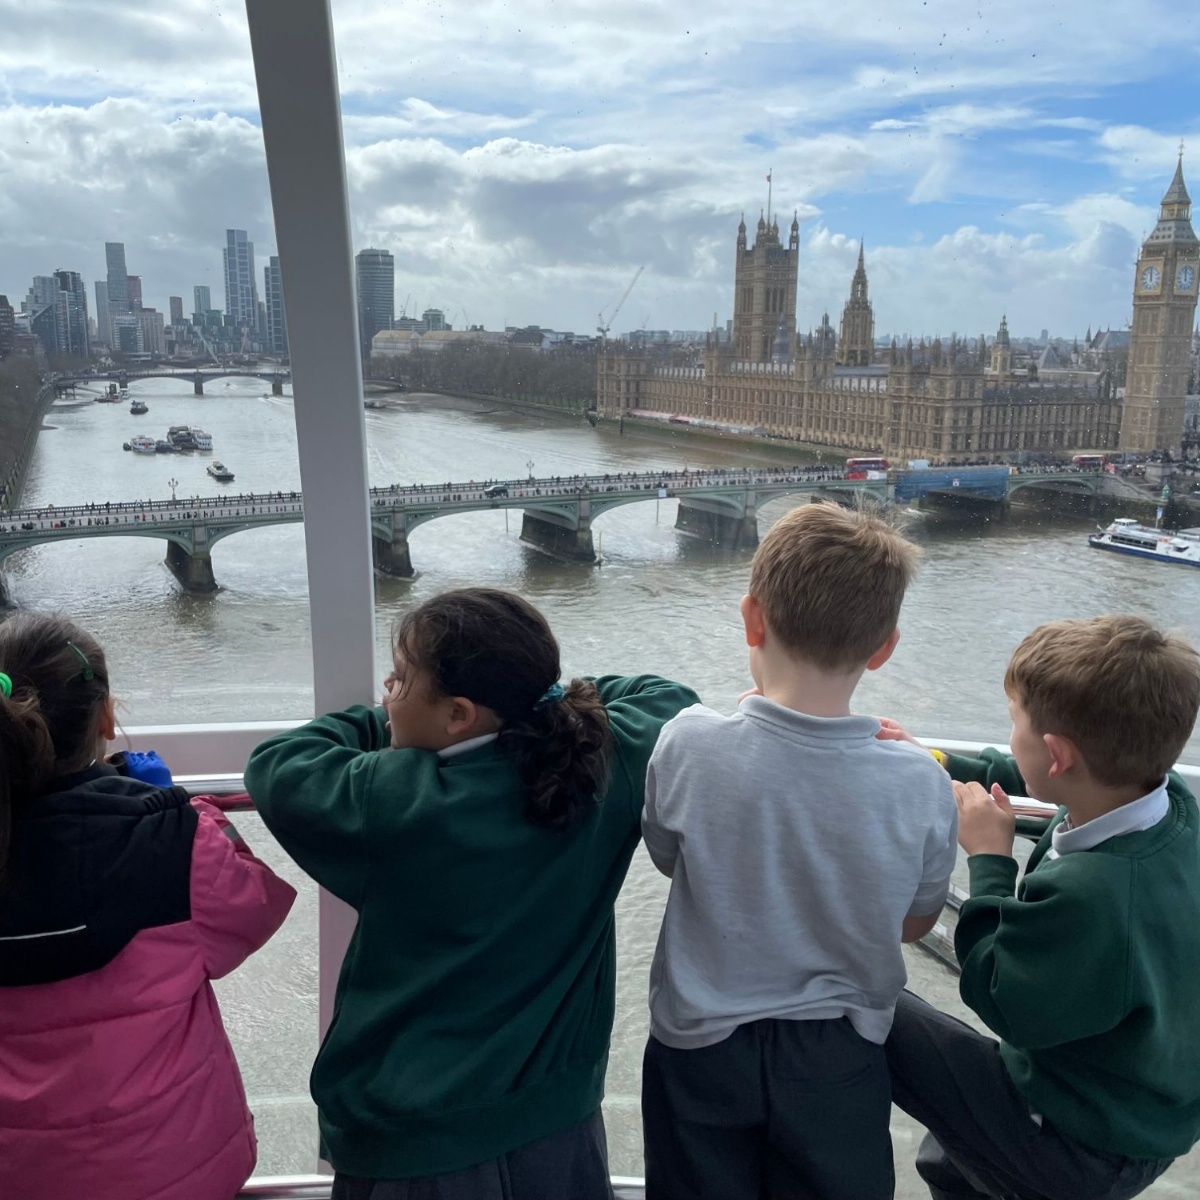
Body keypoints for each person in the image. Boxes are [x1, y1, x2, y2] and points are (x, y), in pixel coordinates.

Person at [243, 587, 699, 1200]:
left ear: (459, 714)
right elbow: (667, 698)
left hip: (415, 1148)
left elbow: (279, 764)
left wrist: (381, 726)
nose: (387, 694)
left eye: (399, 683)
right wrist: (548, 702)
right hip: (558, 1130)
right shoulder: (601, 766)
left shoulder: (394, 800)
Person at [640, 502, 958, 1200]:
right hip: (837, 1053)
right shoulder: (920, 782)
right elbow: (912, 925)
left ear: (753, 619)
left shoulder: (690, 742)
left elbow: (669, 857)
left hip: (700, 1046)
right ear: (884, 648)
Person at [878, 614, 1200, 1200]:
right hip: (1140, 1109)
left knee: (863, 997)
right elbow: (1029, 777)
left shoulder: (1096, 895)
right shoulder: (1163, 802)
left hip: (1079, 1143)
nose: (1010, 735)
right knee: (955, 1162)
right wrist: (934, 761)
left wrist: (989, 859)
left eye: (1014, 723)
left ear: (1056, 755)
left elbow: (1003, 995)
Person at [0, 612, 296, 1200]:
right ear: (107, 717)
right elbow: (254, 907)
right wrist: (179, 808)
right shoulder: (167, 841)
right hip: (169, 1168)